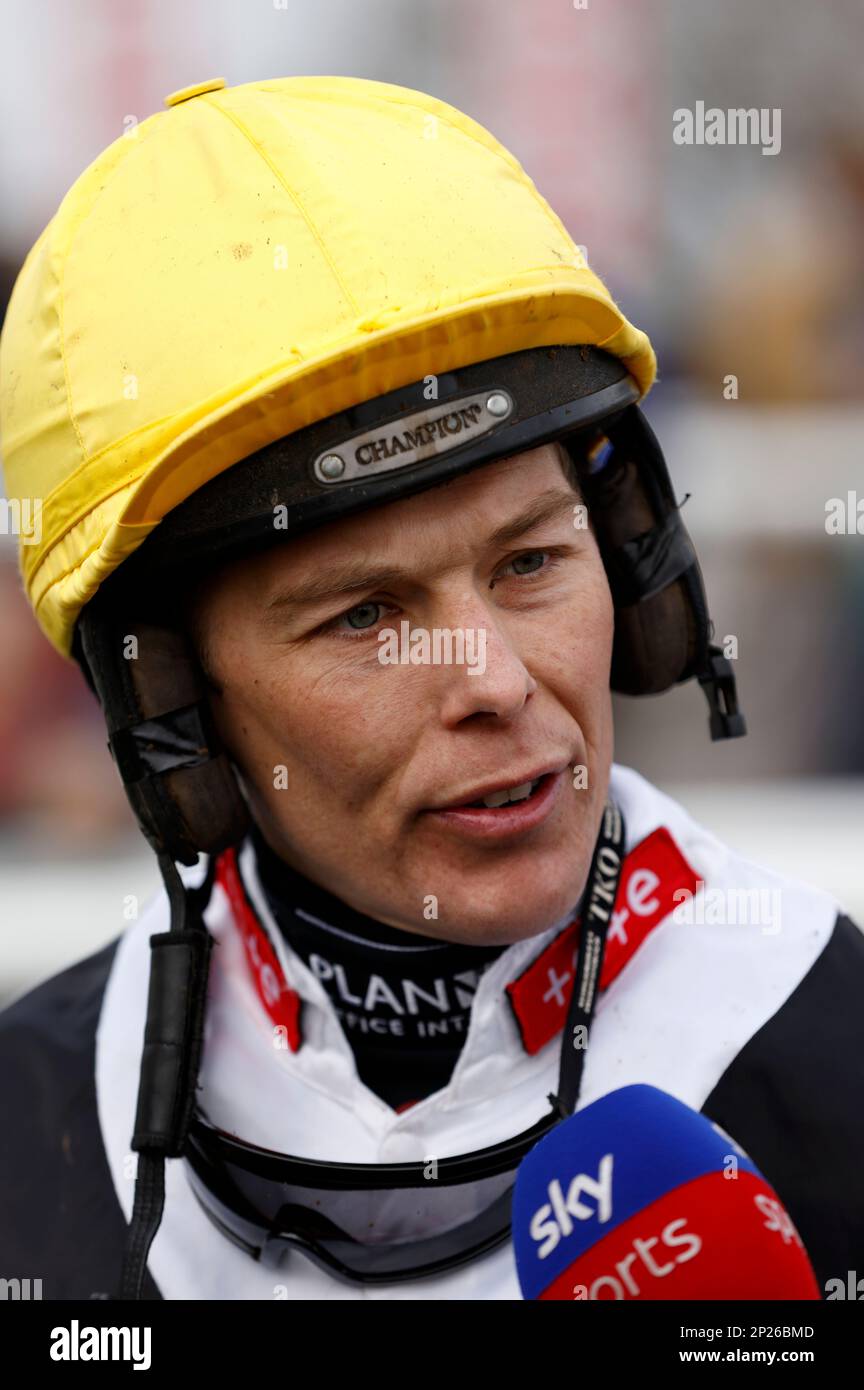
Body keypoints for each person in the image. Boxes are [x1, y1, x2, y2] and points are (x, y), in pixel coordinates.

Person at [0, 75, 861, 1302]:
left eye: (530, 562)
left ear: (629, 556)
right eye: (365, 615)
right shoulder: (40, 1135)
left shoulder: (826, 1049)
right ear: (173, 704)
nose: (498, 683)